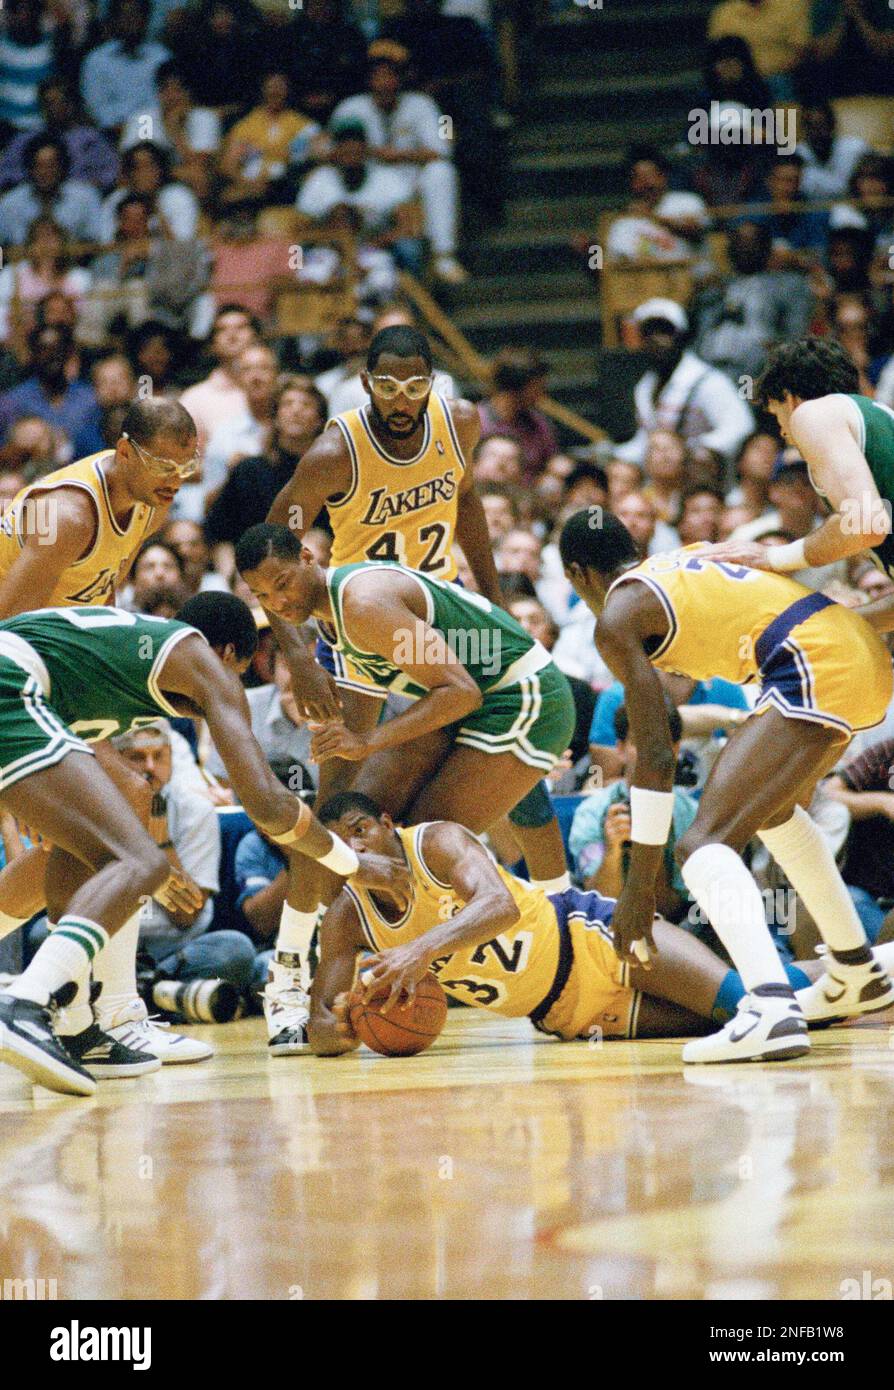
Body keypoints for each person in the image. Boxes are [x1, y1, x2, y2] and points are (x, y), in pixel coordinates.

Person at [0, 591, 411, 1095]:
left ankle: (78, 1025)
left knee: (91, 855)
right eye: (236, 676)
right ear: (229, 657)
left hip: (19, 686)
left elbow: (70, 880)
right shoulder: (201, 662)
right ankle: (26, 1002)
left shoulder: (116, 670)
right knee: (142, 864)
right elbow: (266, 804)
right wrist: (353, 864)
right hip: (11, 681)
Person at [558, 507, 894, 1063]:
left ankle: (769, 1007)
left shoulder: (616, 616)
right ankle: (856, 971)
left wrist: (641, 886)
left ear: (578, 575)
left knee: (701, 843)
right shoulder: (679, 560)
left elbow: (657, 752)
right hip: (861, 658)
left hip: (810, 662)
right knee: (773, 813)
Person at [306, 793, 879, 1054]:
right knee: (747, 1024)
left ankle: (872, 971)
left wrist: (419, 951)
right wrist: (348, 1021)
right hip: (566, 1013)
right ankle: (862, 977)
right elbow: (318, 1024)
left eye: (363, 829)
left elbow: (499, 906)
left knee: (746, 1007)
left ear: (386, 824)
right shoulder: (347, 919)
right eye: (343, 843)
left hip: (592, 937)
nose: (359, 846)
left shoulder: (436, 841)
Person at [235, 523, 576, 905]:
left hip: (522, 697)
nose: (279, 602)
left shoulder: (361, 605)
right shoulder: (331, 622)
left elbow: (460, 692)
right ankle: (309, 950)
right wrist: (318, 827)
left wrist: (368, 742)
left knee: (418, 853)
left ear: (307, 557)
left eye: (283, 583)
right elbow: (353, 744)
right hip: (468, 703)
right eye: (264, 595)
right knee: (359, 834)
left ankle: (535, 923)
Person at [709, 338, 894, 585]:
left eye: (777, 415)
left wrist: (773, 557)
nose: (784, 433)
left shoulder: (813, 413)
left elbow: (867, 524)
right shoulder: (875, 416)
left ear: (790, 399)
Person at [330, 40, 467, 286]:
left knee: (442, 172)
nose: (383, 83)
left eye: (389, 76)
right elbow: (332, 150)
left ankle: (444, 256)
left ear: (400, 79)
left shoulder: (422, 103)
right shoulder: (350, 107)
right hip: (368, 181)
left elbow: (442, 149)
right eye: (377, 77)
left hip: (411, 179)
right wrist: (367, 152)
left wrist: (399, 155)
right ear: (368, 80)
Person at [612, 299, 754, 479]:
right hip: (663, 483)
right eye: (649, 333)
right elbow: (645, 440)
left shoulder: (707, 381)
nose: (656, 339)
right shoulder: (645, 387)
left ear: (681, 337)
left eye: (665, 332)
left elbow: (741, 426)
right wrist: (613, 454)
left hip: (704, 483)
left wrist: (698, 448)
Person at [206, 379, 327, 546]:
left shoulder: (335, 476)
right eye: (288, 404)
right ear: (275, 418)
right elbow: (220, 534)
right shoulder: (249, 471)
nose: (296, 410)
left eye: (306, 405)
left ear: (319, 421)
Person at [0, 324, 102, 459]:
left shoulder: (90, 399)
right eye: (44, 349)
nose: (51, 355)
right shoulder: (14, 401)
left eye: (57, 349)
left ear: (68, 353)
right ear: (33, 354)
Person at [79, 0, 170, 135]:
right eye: (124, 15)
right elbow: (96, 111)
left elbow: (168, 103)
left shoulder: (161, 56)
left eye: (135, 14)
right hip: (113, 135)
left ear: (145, 18)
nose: (130, 20)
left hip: (158, 132)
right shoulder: (97, 61)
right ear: (114, 20)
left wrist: (142, 132)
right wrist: (132, 131)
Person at [178, 302, 257, 452]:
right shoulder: (194, 399)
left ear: (256, 336)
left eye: (241, 328)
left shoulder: (278, 389)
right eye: (222, 330)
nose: (232, 335)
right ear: (212, 344)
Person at [0, 134, 103, 248]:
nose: (44, 172)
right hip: (23, 264)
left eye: (51, 166)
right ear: (29, 168)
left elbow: (95, 240)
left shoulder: (85, 196)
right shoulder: (10, 203)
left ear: (62, 167)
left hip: (74, 262)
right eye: (38, 166)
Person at [478, 349, 558, 484]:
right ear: (518, 387)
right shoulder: (474, 422)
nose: (543, 395)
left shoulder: (538, 424)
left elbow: (550, 465)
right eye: (538, 388)